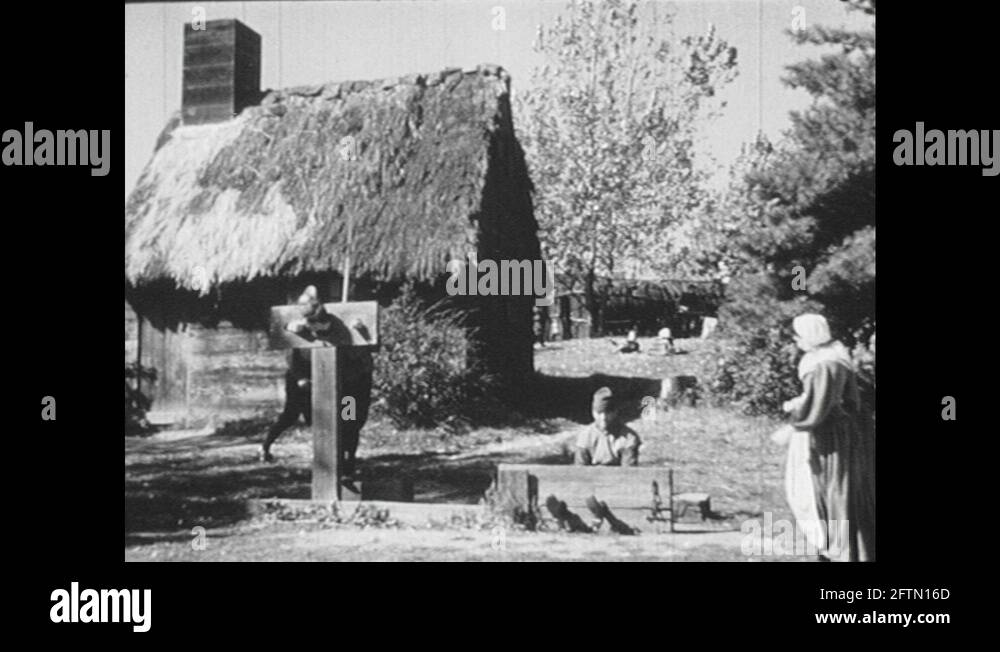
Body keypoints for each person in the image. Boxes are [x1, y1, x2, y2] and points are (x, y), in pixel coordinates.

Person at [771, 314, 875, 562]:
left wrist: (795, 424)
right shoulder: (834, 355)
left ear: (811, 335)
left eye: (798, 336)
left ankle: (845, 550)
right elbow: (825, 397)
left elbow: (820, 405)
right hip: (842, 431)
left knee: (834, 488)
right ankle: (845, 548)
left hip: (830, 435)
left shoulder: (825, 364)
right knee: (839, 489)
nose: (796, 341)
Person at [260, 286, 373, 478]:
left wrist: (359, 327)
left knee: (350, 421)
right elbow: (290, 352)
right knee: (295, 415)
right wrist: (289, 327)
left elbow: (362, 360)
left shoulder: (344, 330)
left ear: (320, 322)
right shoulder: (303, 330)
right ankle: (265, 447)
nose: (309, 328)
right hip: (308, 380)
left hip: (350, 386)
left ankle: (348, 464)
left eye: (312, 325)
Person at [574, 387, 640, 466]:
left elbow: (628, 471)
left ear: (615, 412)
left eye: (608, 413)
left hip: (618, 476)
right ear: (593, 413)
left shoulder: (628, 437)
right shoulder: (585, 436)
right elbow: (580, 469)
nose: (603, 418)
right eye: (599, 413)